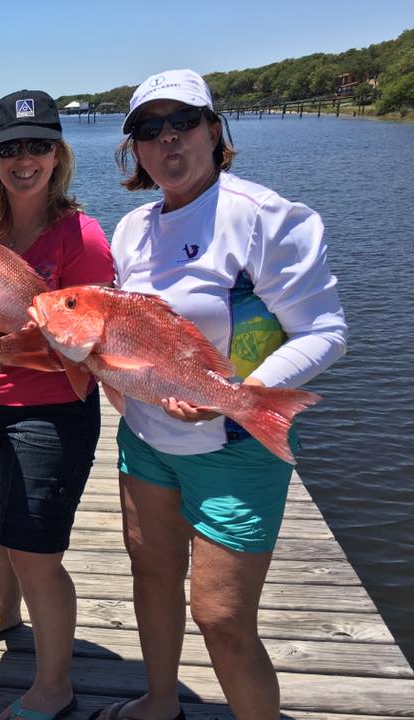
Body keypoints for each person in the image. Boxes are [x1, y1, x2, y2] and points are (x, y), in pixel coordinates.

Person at [93, 69, 348, 720]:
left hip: (235, 446)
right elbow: (132, 333)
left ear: (215, 129)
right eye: (149, 129)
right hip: (144, 443)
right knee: (151, 579)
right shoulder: (130, 231)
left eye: (183, 122)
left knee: (221, 616)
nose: (168, 140)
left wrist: (241, 392)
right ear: (135, 150)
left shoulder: (265, 217)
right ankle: (159, 702)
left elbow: (325, 331)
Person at [0, 90, 114, 720]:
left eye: (38, 146)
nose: (24, 159)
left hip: (52, 409)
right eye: (9, 148)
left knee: (36, 550)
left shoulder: (81, 237)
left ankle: (54, 686)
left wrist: (11, 342)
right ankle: (5, 612)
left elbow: (89, 336)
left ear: (57, 155)